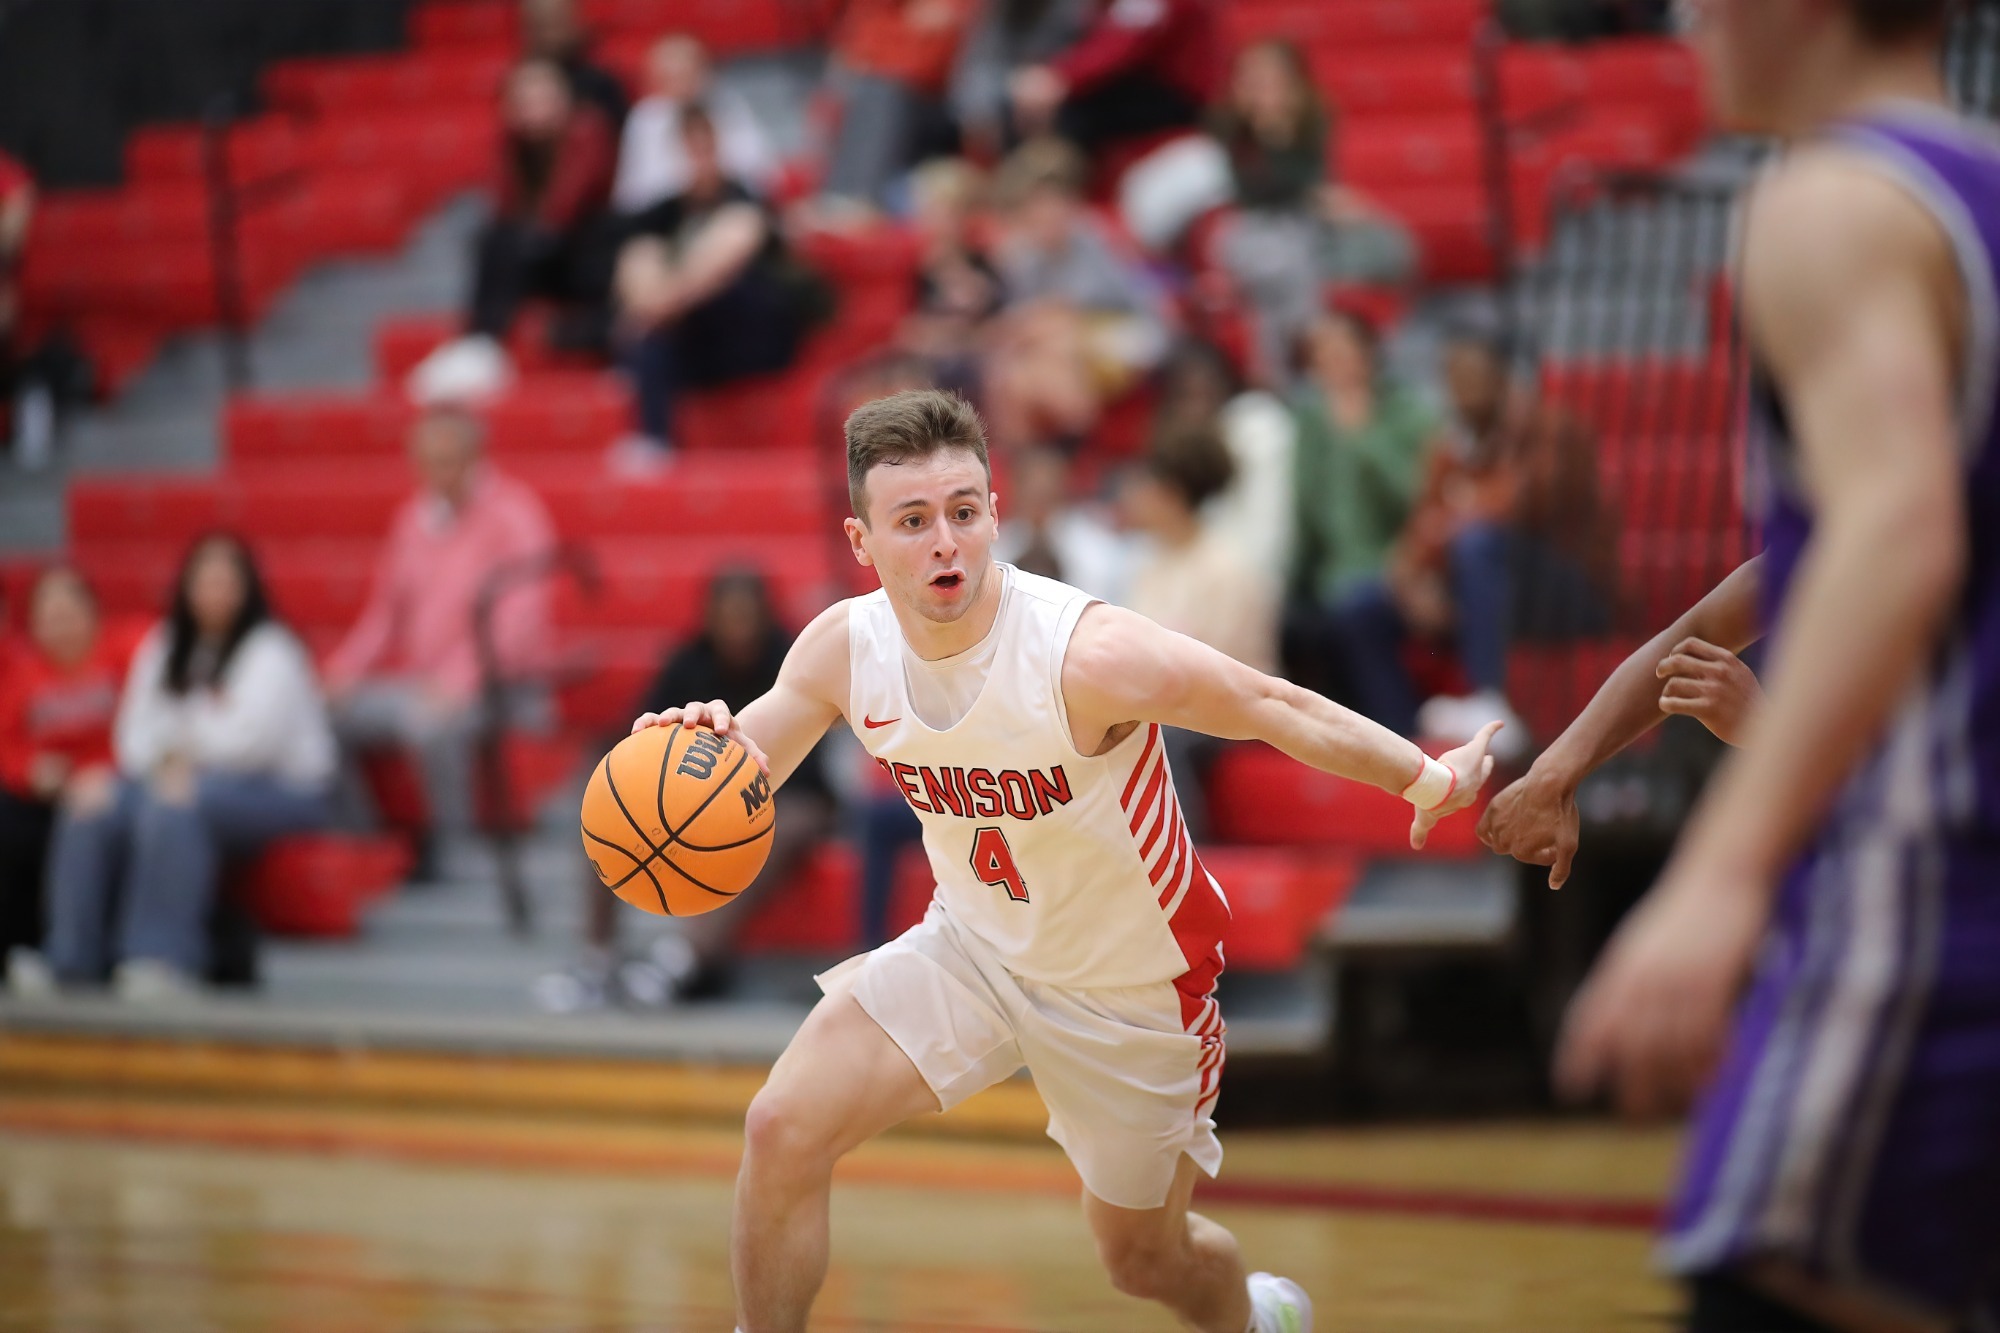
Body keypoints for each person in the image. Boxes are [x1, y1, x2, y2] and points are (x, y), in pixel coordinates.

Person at [630, 387, 1502, 1332]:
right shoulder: (845, 647)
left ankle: (1254, 1318)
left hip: (1129, 989)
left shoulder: (1087, 654)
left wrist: (1426, 777)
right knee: (781, 1126)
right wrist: (697, 745)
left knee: (1143, 1260)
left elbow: (1273, 704)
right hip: (973, 949)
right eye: (913, 521)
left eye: (964, 512)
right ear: (862, 541)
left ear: (995, 513)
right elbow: (747, 761)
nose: (945, 542)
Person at [1484, 3, 2000, 1330]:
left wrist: (1719, 875)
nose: (1688, 16)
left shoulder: (1832, 200)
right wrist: (1556, 769)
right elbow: (1708, 625)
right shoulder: (1971, 206)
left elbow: (1897, 530)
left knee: (1772, 1278)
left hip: (1930, 911)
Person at [14, 536, 334, 1000]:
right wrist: (177, 756)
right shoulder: (164, 645)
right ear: (186, 587)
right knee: (92, 802)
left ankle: (161, 958)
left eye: (226, 582)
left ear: (247, 588)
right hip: (175, 776)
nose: (214, 593)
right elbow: (133, 736)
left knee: (176, 803)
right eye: (205, 581)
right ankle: (70, 957)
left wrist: (181, 755)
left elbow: (251, 744)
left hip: (283, 792)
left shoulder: (273, 650)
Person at [535, 570, 837, 1012]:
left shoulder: (788, 659)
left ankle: (679, 960)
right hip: (693, 792)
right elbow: (640, 734)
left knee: (775, 822)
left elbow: (805, 764)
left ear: (764, 617)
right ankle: (597, 960)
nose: (737, 628)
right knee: (612, 802)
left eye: (746, 616)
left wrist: (721, 796)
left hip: (789, 792)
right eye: (728, 616)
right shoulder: (688, 660)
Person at [326, 406, 556, 876]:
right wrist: (344, 670)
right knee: (322, 714)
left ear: (475, 457)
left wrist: (458, 681)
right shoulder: (412, 519)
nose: (436, 473)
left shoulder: (514, 514)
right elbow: (385, 612)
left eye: (447, 460)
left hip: (503, 685)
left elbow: (519, 619)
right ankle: (367, 841)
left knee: (429, 724)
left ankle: (457, 847)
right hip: (424, 681)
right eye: (427, 461)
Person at [614, 104, 822, 459]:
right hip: (689, 336)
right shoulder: (662, 213)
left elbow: (735, 246)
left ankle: (653, 427)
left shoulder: (746, 201)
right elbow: (635, 260)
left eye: (705, 145)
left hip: (748, 330)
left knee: (666, 316)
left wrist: (660, 305)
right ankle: (654, 439)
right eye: (688, 147)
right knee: (645, 269)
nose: (698, 157)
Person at [1282, 307, 1448, 734]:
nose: (1329, 366)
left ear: (1370, 354)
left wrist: (1363, 436)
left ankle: (1401, 738)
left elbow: (1416, 498)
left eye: (1340, 353)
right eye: (1320, 357)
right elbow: (1306, 512)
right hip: (1330, 575)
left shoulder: (1410, 413)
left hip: (1399, 567)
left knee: (1355, 611)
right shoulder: (1310, 421)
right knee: (1284, 623)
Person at [1119, 423, 1278, 838]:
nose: (1134, 497)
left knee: (1163, 738)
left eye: (1145, 487)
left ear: (1171, 495)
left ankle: (1189, 856)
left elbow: (1220, 666)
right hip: (1165, 700)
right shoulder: (1149, 564)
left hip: (1230, 705)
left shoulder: (1226, 566)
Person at [982, 137, 1171, 454]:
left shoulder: (1095, 238)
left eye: (1054, 205)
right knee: (1012, 371)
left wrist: (1057, 319)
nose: (1046, 215)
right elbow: (1016, 322)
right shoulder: (1023, 256)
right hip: (1064, 352)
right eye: (1037, 208)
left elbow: (1145, 309)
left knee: (1056, 333)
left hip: (1131, 335)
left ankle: (1079, 437)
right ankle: (1020, 459)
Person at [0, 569, 134, 980]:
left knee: (89, 820)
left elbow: (150, 728)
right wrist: (31, 771)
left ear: (93, 613)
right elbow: (7, 744)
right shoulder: (21, 672)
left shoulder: (125, 655)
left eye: (69, 614)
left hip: (116, 788)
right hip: (45, 796)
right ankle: (20, 947)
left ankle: (77, 957)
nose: (60, 627)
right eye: (49, 618)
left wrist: (104, 774)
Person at [464, 58, 619, 353]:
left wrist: (529, 233)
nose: (533, 110)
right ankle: (481, 340)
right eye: (524, 102)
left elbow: (566, 206)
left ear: (564, 100)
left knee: (514, 243)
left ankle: (486, 338)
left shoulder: (587, 131)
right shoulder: (515, 145)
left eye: (541, 100)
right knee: (493, 241)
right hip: (538, 251)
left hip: (582, 249)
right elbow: (502, 207)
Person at [815, 0, 979, 216]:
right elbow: (856, 49)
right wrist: (906, 33)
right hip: (890, 106)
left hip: (946, 108)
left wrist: (890, 47)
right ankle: (845, 201)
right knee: (867, 90)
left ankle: (859, 202)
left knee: (884, 90)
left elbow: (927, 64)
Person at [1009, 0, 1221, 157]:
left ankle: (1059, 190)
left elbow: (1123, 45)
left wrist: (1058, 78)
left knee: (1072, 115)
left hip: (1178, 98)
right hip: (1142, 82)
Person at [612, 34, 775, 216]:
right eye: (671, 77)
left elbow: (761, 174)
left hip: (726, 208)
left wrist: (716, 177)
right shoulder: (646, 119)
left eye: (688, 73)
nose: (682, 84)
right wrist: (688, 181)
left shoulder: (729, 108)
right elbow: (634, 193)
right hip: (667, 218)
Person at [519, 0, 628, 131]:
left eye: (557, 21)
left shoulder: (601, 82)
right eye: (542, 25)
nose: (551, 33)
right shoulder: (521, 80)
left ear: (574, 20)